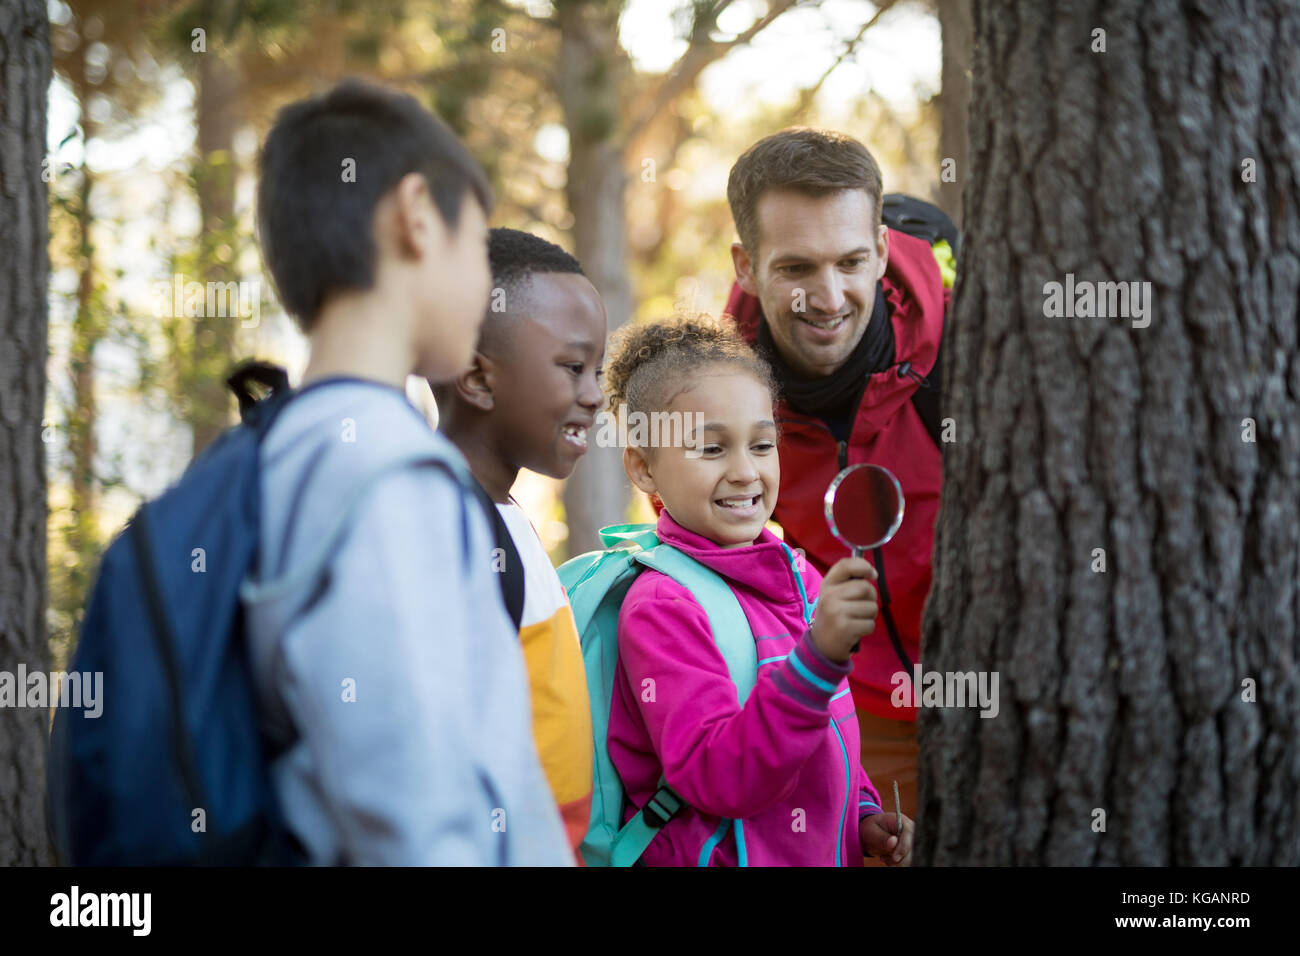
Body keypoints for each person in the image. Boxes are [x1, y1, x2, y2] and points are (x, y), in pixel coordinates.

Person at [243, 80, 571, 865]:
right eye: (474, 246)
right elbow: (417, 814)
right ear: (418, 216)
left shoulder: (280, 450)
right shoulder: (388, 475)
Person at [604, 315, 914, 866]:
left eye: (762, 444)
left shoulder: (797, 576)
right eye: (711, 449)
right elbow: (721, 779)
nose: (746, 472)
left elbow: (827, 729)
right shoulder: (661, 608)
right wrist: (818, 659)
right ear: (644, 468)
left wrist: (860, 812)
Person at [721, 129, 947, 831]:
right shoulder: (714, 400)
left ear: (881, 248)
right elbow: (717, 577)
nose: (828, 297)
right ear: (747, 265)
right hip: (845, 711)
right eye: (796, 268)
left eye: (851, 261)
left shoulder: (976, 345)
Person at [433, 228, 605, 863]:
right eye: (572, 366)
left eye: (599, 370)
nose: (594, 393)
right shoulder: (443, 532)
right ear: (477, 378)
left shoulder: (501, 514)